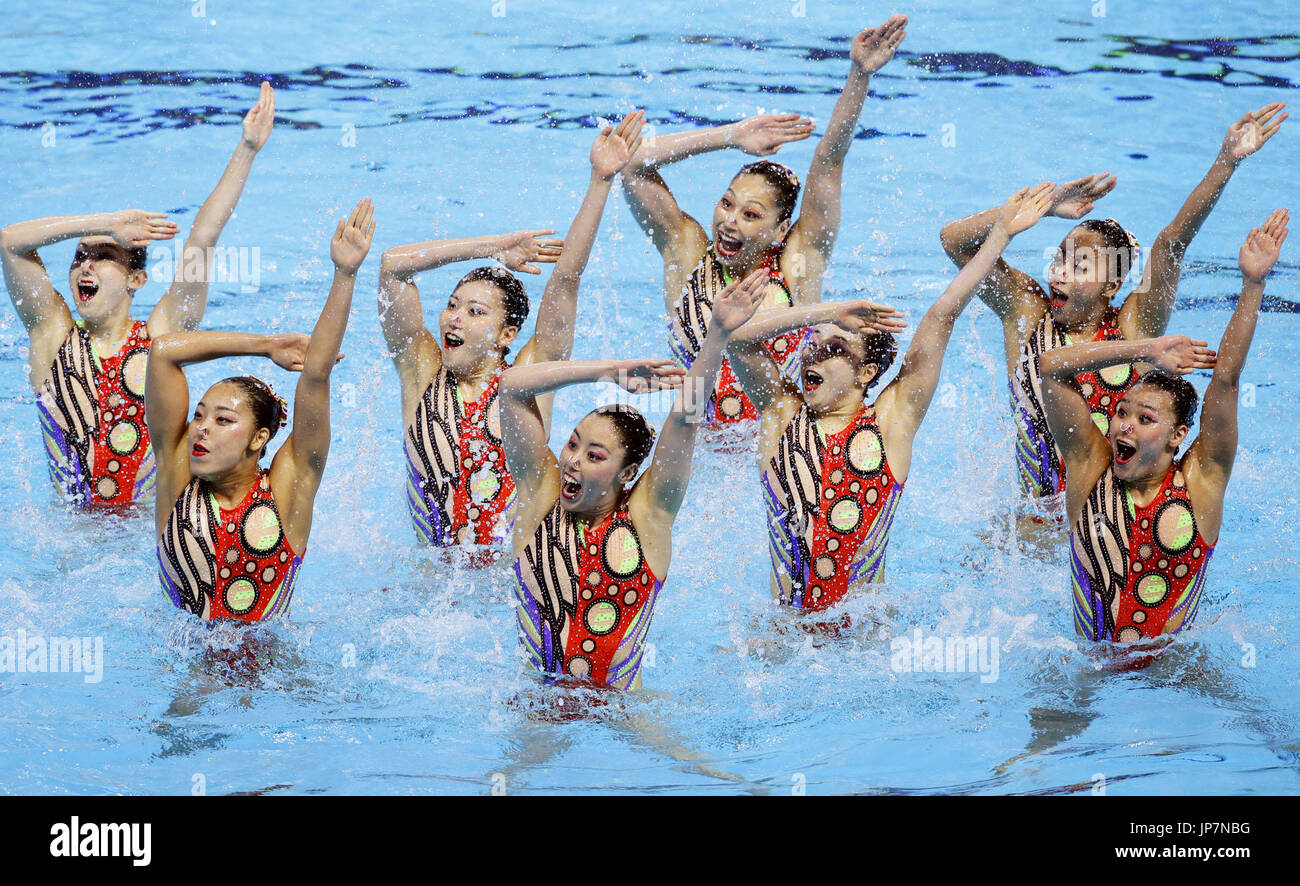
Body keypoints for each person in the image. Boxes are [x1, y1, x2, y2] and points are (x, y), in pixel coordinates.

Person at [939, 103, 1286, 504]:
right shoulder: (1028, 313)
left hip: (1106, 523)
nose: (1060, 274)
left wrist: (1225, 161)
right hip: (1036, 529)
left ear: (1112, 284)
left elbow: (1173, 242)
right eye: (1059, 259)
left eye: (1081, 266)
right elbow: (955, 242)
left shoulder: (1134, 328)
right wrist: (1038, 208)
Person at [728, 185, 1054, 610]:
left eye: (835, 350)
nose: (815, 355)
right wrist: (828, 313)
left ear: (866, 373)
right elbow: (737, 339)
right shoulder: (781, 414)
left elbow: (943, 313)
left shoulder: (890, 423)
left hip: (864, 641)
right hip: (783, 634)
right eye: (815, 344)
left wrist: (1000, 236)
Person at [0, 82, 278, 507]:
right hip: (70, 537)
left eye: (105, 255)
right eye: (79, 255)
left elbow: (203, 237)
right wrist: (105, 223)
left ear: (136, 281)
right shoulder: (52, 337)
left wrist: (247, 149)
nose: (85, 265)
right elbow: (11, 242)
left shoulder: (161, 341)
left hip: (149, 533)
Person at [622, 15, 908, 424]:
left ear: (779, 230)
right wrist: (730, 136)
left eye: (751, 214)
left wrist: (858, 75)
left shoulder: (796, 266)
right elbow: (630, 165)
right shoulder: (687, 254)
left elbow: (828, 162)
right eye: (726, 203)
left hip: (776, 450)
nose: (728, 222)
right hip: (693, 448)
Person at [379, 112, 645, 548]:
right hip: (429, 584)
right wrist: (493, 247)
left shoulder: (528, 383)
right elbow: (393, 267)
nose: (453, 318)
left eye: (475, 311)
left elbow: (566, 278)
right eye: (450, 306)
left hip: (514, 576)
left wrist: (600, 181)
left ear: (506, 335)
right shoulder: (421, 373)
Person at [500, 268, 768, 689]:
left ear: (627, 474)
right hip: (537, 705)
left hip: (622, 711)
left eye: (594, 456)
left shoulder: (648, 517)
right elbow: (511, 387)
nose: (572, 461)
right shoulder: (541, 499)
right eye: (572, 445)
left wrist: (716, 332)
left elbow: (686, 417)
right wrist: (607, 372)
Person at [1040, 209, 1287, 643]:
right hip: (1087, 668)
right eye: (1121, 412)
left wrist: (1253, 285)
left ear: (1178, 437)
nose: (1123, 428)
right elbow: (1050, 367)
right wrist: (1147, 349)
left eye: (1144, 419)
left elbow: (1225, 380)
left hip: (1174, 673)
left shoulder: (1202, 483)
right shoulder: (1090, 469)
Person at [146, 199, 375, 621]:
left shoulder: (288, 488)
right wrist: (264, 345)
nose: (201, 429)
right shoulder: (176, 475)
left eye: (223, 420)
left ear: (259, 439)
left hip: (272, 675)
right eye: (199, 415)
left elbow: (317, 375)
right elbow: (162, 352)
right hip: (185, 678)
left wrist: (345, 273)